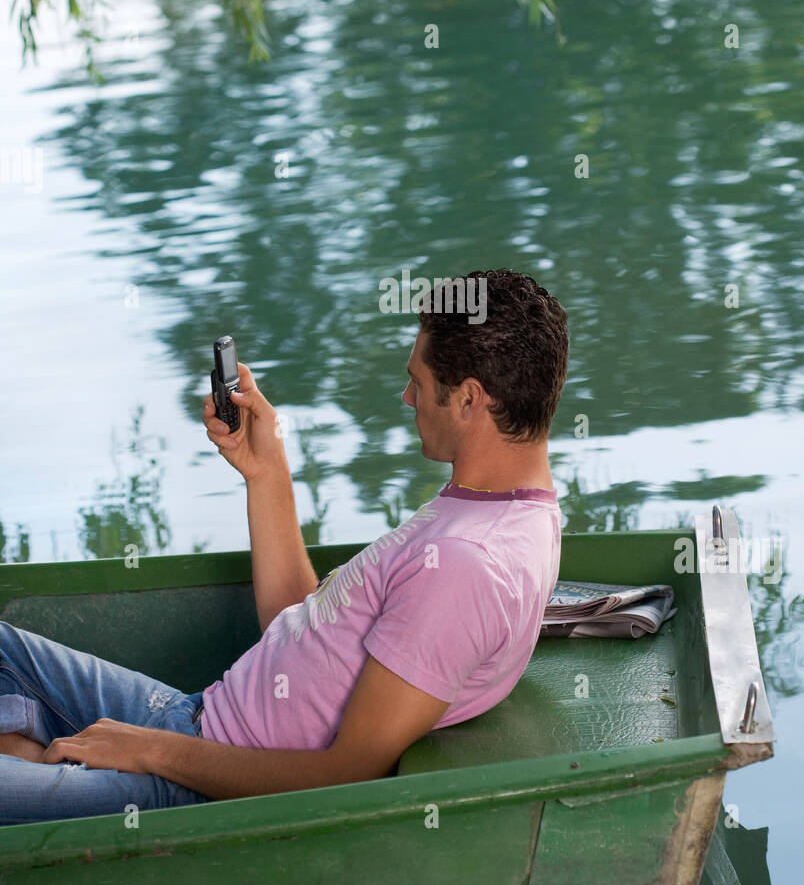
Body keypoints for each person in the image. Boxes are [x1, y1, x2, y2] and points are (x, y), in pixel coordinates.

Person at [0, 269, 568, 825]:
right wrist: (266, 470)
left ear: (469, 400)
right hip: (198, 723)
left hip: (194, 790)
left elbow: (346, 776)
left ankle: (34, 762)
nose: (406, 396)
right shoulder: (499, 508)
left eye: (418, 383)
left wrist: (150, 752)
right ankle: (28, 757)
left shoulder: (467, 566)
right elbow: (304, 625)